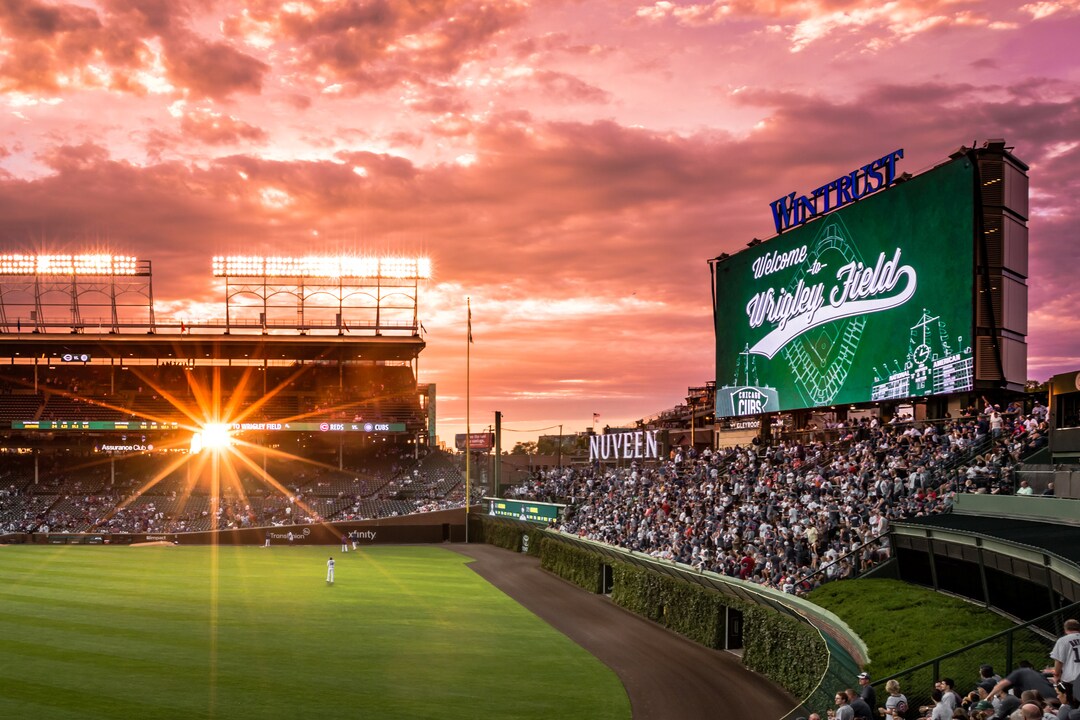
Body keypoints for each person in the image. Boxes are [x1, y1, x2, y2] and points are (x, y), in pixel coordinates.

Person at [1052, 619, 1080, 703]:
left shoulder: (1062, 641)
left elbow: (1059, 661)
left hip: (1071, 679)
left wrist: (1057, 676)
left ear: (1065, 629)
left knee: (1072, 705)